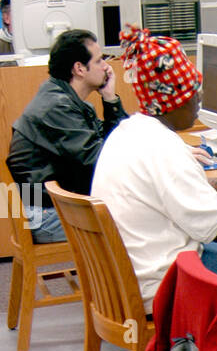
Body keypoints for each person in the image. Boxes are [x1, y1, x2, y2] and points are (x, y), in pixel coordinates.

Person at [91, 26, 217, 308]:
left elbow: (177, 193)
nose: (198, 99)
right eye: (193, 92)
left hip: (131, 275)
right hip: (165, 285)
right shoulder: (163, 149)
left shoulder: (129, 131)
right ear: (171, 102)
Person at [8, 29, 128, 243]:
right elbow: (100, 161)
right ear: (79, 68)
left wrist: (110, 100)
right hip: (39, 215)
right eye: (100, 60)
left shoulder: (65, 99)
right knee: (137, 220)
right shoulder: (56, 107)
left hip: (46, 204)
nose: (107, 67)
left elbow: (114, 143)